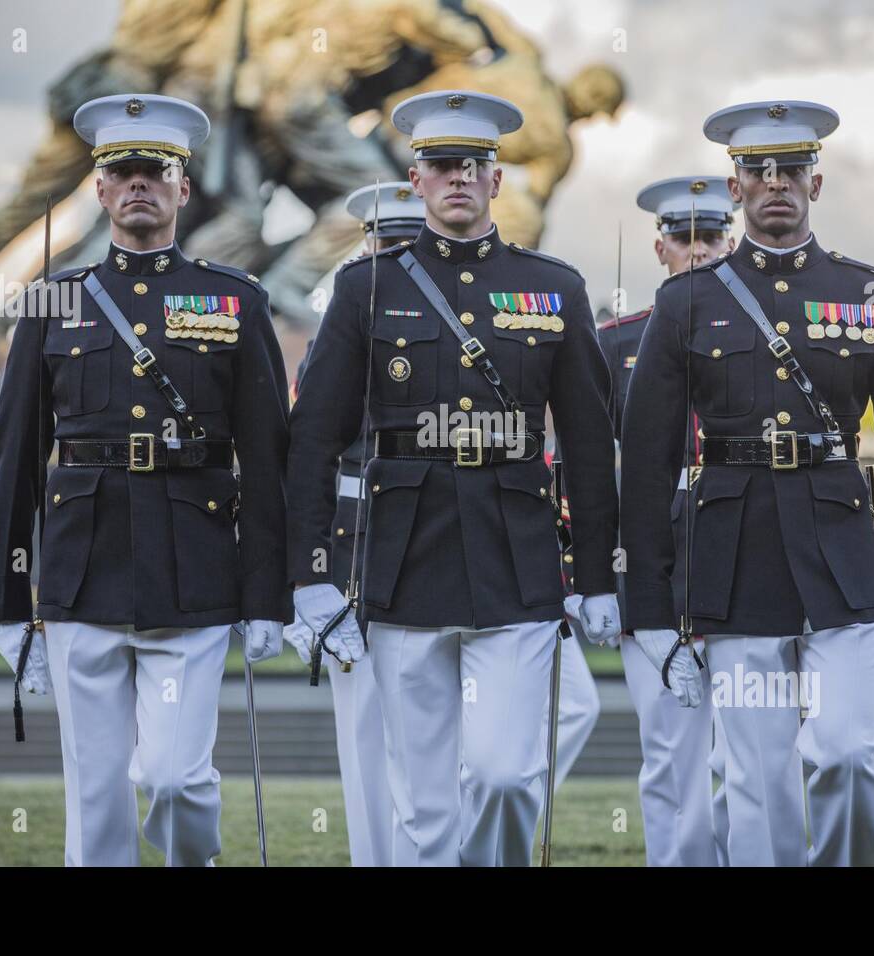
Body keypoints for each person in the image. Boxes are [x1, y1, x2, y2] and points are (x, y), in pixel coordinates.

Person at [287, 90, 620, 866]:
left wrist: (599, 576)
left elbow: (586, 443)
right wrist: (309, 573)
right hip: (406, 558)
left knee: (506, 775)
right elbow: (315, 438)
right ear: (418, 180)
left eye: (474, 165)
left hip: (519, 556)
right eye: (442, 165)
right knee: (423, 804)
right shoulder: (367, 288)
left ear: (496, 181)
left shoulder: (554, 288)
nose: (458, 177)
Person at [621, 101, 874, 867]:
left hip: (841, 553)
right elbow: (647, 464)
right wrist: (651, 602)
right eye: (757, 172)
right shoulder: (685, 303)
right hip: (734, 562)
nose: (775, 184)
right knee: (758, 780)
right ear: (733, 190)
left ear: (816, 183)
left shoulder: (873, 296)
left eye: (790, 171)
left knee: (846, 754)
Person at [0, 93, 292, 866]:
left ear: (184, 188)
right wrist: (5, 602)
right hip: (82, 575)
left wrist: (267, 596)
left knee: (176, 778)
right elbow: (18, 459)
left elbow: (266, 463)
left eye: (156, 171)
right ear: (99, 188)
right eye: (122, 172)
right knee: (96, 800)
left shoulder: (235, 301)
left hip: (193, 574)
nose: (138, 185)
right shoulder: (52, 304)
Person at [285, 180, 426, 867]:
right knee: (367, 735)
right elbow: (310, 441)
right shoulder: (345, 315)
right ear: (367, 244)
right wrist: (305, 578)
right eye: (386, 241)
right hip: (356, 536)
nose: (395, 254)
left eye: (408, 241)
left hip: (434, 535)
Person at [597, 176, 736, 866]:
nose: (700, 251)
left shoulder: (763, 334)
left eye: (711, 237)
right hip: (655, 558)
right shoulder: (614, 342)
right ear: (659, 248)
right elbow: (585, 467)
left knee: (753, 751)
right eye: (684, 238)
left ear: (730, 241)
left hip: (748, 547)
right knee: (671, 752)